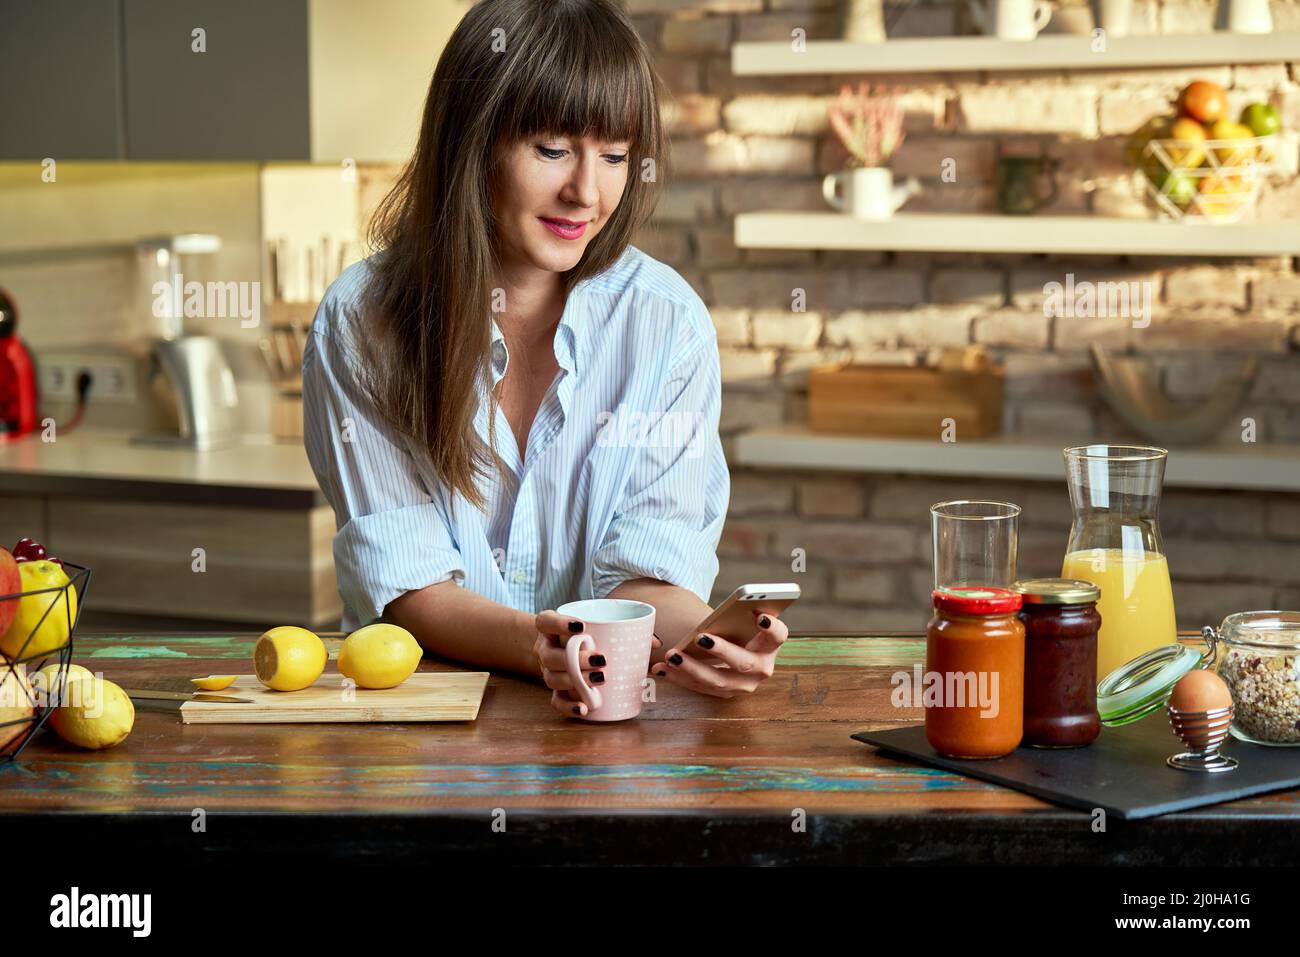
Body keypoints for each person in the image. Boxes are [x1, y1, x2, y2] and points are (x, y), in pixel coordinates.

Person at [302, 0, 787, 716]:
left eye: (615, 156)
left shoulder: (665, 323)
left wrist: (704, 640)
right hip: (416, 737)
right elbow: (413, 593)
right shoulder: (363, 322)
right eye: (553, 150)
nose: (586, 193)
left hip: (608, 738)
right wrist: (547, 645)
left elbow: (644, 576)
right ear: (472, 142)